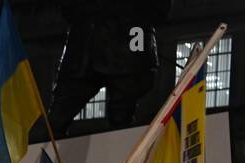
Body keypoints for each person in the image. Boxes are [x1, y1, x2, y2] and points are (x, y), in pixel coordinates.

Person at [47, 4, 169, 135]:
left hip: (127, 52)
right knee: (56, 120)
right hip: (84, 53)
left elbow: (160, 10)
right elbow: (67, 10)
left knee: (122, 120)